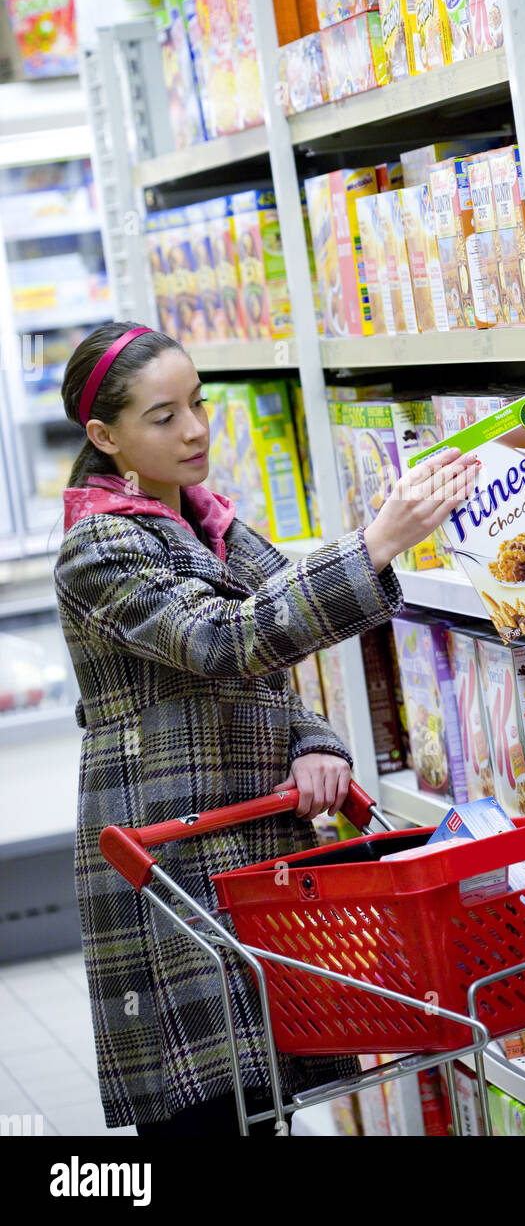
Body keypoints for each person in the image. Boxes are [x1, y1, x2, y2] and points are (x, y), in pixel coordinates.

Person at [54, 321, 478, 1137]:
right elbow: (225, 641)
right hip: (167, 852)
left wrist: (313, 739)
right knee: (204, 1108)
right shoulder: (97, 549)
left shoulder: (209, 519)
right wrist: (377, 542)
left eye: (199, 403)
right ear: (105, 437)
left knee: (263, 1102)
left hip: (247, 843)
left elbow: (271, 655)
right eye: (163, 415)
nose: (196, 430)